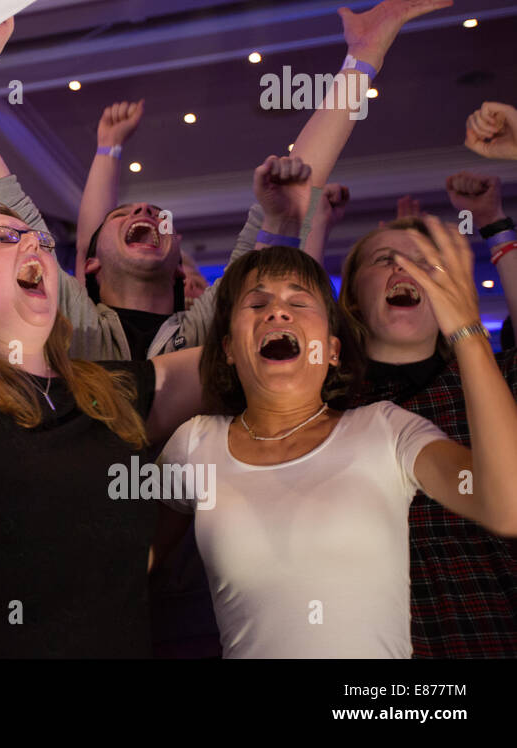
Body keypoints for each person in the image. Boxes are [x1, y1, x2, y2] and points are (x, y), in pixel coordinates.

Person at [0, 15, 206, 657]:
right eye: (0, 237)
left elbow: (241, 356)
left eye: (38, 239)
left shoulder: (112, 394)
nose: (31, 244)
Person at [155, 229, 517, 657]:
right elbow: (116, 565)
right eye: (257, 302)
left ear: (331, 349)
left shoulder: (387, 428)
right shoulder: (193, 444)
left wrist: (468, 332)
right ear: (231, 348)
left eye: (298, 302)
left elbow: (505, 507)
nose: (277, 312)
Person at [331, 197, 517, 656]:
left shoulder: (504, 382)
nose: (403, 271)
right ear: (353, 296)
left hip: (494, 628)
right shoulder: (324, 407)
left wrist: (495, 222)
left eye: (421, 262)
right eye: (384, 261)